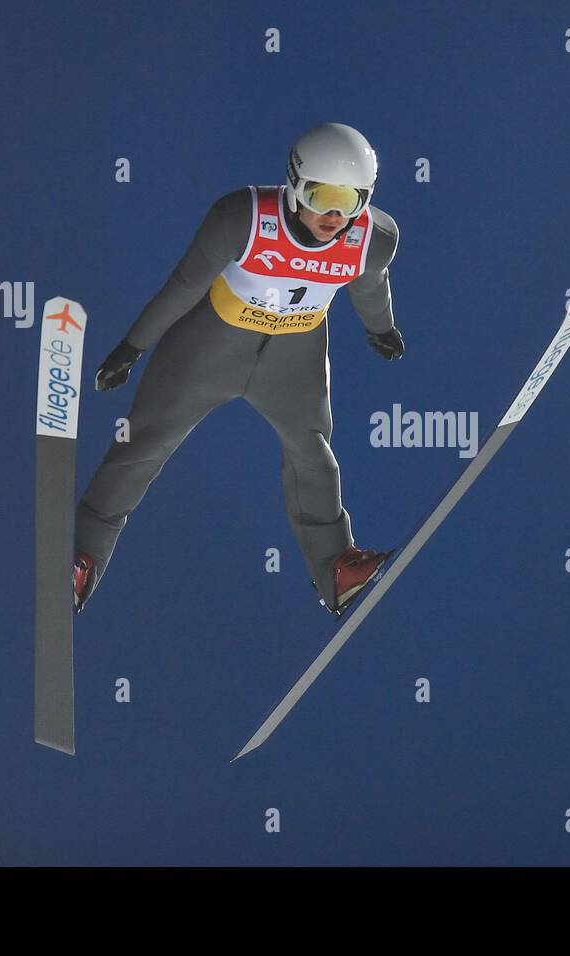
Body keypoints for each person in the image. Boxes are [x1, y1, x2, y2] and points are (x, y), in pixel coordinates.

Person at [72, 122, 403, 618]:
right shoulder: (241, 218)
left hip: (295, 354)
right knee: (144, 443)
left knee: (313, 455)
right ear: (294, 186)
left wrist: (381, 329)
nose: (335, 214)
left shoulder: (372, 238)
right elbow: (183, 286)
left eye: (352, 200)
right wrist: (131, 347)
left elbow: (370, 288)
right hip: (212, 344)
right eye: (321, 195)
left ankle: (335, 566)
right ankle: (80, 556)